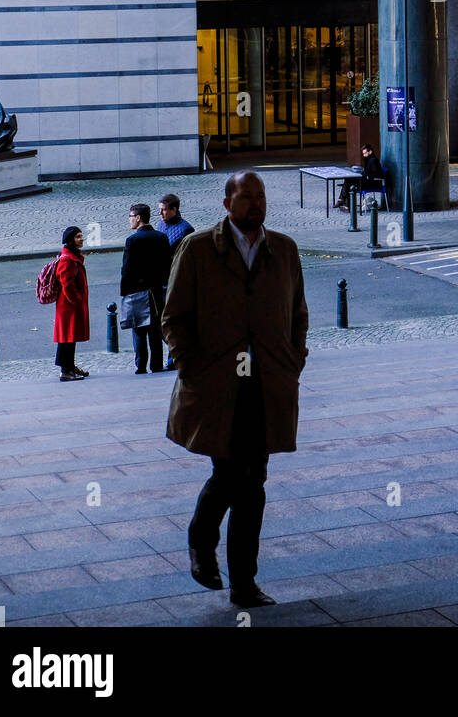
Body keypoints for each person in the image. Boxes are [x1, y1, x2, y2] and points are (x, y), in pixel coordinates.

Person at [161, 170, 308, 608]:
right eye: (246, 197)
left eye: (260, 196)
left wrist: (293, 360)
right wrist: (191, 367)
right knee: (229, 473)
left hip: (267, 383)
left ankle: (244, 583)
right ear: (227, 203)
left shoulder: (283, 249)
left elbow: (298, 312)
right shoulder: (199, 248)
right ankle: (202, 540)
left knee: (254, 480)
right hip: (218, 385)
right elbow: (174, 317)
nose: (256, 204)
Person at [121, 203, 172, 374]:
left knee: (139, 330)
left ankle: (141, 365)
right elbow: (167, 265)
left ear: (138, 218)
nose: (129, 220)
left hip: (137, 290)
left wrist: (125, 292)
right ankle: (156, 364)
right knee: (155, 329)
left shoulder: (132, 240)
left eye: (130, 216)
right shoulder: (161, 237)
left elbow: (126, 270)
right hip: (156, 289)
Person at [156, 195, 194, 369]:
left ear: (174, 210)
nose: (160, 213)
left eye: (164, 209)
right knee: (162, 322)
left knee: (174, 320)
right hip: (161, 279)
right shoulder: (161, 224)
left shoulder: (185, 229)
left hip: (176, 280)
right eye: (159, 209)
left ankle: (174, 357)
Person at [53, 226, 90, 382]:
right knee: (67, 338)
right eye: (78, 237)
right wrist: (76, 300)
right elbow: (66, 283)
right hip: (68, 306)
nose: (81, 239)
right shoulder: (67, 259)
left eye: (81, 236)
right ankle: (66, 370)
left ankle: (69, 366)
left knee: (70, 337)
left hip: (69, 305)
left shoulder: (72, 256)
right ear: (70, 240)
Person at [335, 144, 384, 212]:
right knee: (348, 180)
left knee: (349, 183)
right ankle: (344, 202)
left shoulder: (373, 160)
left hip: (373, 183)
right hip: (367, 181)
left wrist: (366, 176)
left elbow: (376, 174)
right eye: (363, 153)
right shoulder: (369, 159)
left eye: (365, 153)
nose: (364, 155)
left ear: (370, 152)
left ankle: (344, 202)